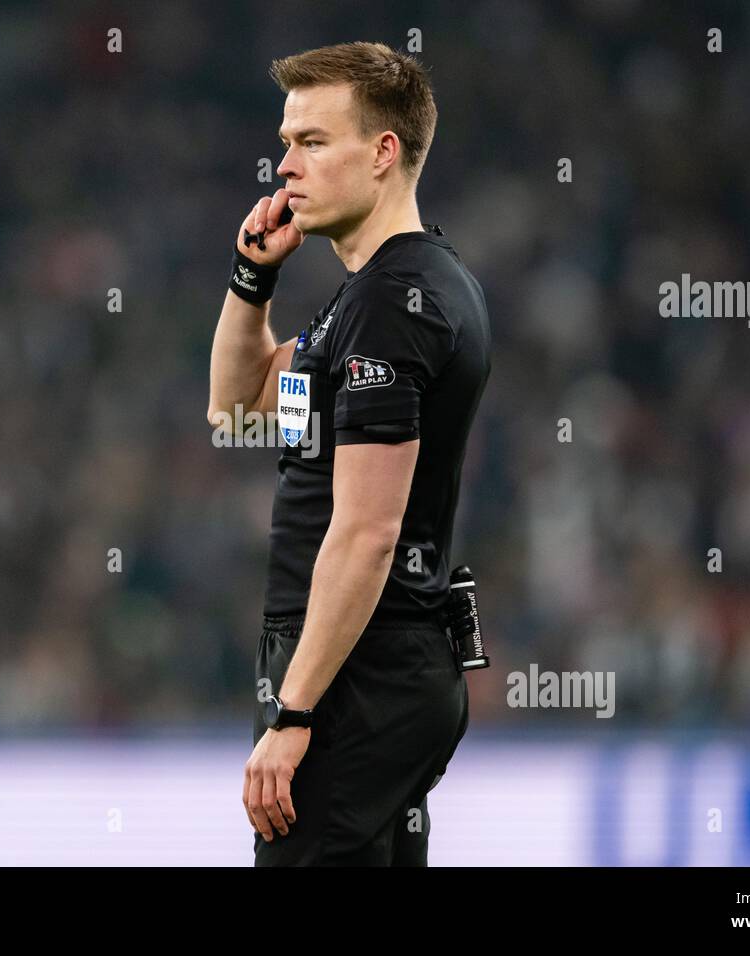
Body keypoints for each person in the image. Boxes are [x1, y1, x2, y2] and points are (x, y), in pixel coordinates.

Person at [207, 41, 493, 865]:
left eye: (312, 142)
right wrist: (250, 280)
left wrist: (294, 715)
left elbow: (367, 530)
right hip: (381, 669)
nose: (285, 163)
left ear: (382, 153)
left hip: (353, 676)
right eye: (286, 140)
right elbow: (237, 406)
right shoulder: (386, 295)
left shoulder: (390, 308)